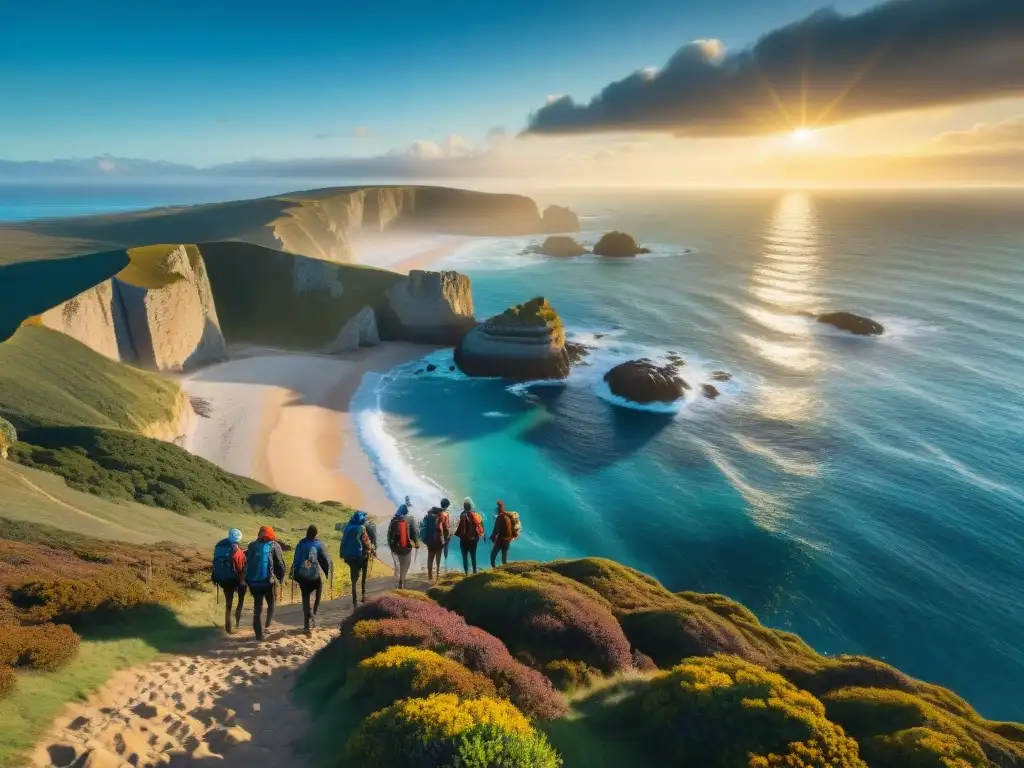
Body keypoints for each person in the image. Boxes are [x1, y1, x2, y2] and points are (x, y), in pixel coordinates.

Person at [245, 525, 286, 641]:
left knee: (257, 608)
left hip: (254, 582)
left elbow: (247, 562)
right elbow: (280, 564)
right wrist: (281, 578)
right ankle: (267, 626)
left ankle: (258, 635)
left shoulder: (252, 545)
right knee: (271, 603)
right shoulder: (274, 545)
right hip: (268, 582)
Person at [292, 524, 332, 635]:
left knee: (305, 599)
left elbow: (296, 559)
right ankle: (314, 611)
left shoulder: (300, 543)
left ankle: (306, 626)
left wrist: (295, 574)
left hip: (302, 576)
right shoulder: (318, 544)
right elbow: (324, 559)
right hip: (314, 576)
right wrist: (327, 571)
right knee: (318, 593)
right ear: (315, 534)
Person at [211, 528, 247, 633]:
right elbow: (241, 568)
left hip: (222, 579)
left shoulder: (219, 545)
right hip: (235, 579)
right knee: (241, 599)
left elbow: (215, 562)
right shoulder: (238, 551)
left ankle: (228, 627)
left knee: (228, 603)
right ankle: (237, 621)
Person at [341, 510, 376, 609]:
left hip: (349, 557)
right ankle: (363, 596)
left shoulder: (347, 528)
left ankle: (354, 599)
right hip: (360, 556)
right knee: (363, 574)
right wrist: (371, 549)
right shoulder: (361, 528)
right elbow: (366, 543)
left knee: (354, 577)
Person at [387, 502, 420, 589]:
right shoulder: (410, 518)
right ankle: (402, 580)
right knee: (406, 564)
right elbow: (414, 532)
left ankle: (399, 578)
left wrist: (391, 545)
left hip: (395, 547)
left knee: (399, 564)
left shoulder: (394, 519)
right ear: (407, 511)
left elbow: (389, 534)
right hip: (405, 547)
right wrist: (416, 542)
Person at [422, 499, 452, 582]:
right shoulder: (444, 515)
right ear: (447, 506)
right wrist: (446, 538)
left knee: (430, 558)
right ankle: (437, 574)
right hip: (438, 540)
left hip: (429, 539)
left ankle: (430, 576)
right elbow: (445, 528)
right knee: (438, 557)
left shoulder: (429, 514)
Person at [454, 497, 484, 574]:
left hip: (464, 540)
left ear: (464, 507)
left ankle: (466, 573)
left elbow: (460, 527)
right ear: (471, 506)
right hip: (474, 539)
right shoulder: (477, 515)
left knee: (465, 557)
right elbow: (481, 526)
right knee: (473, 556)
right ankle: (474, 572)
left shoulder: (462, 514)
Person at [489, 500, 517, 568]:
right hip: (508, 540)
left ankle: (494, 570)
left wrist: (492, 537)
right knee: (504, 558)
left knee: (492, 556)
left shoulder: (500, 517)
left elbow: (496, 529)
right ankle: (505, 570)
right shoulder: (507, 516)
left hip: (501, 540)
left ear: (498, 509)